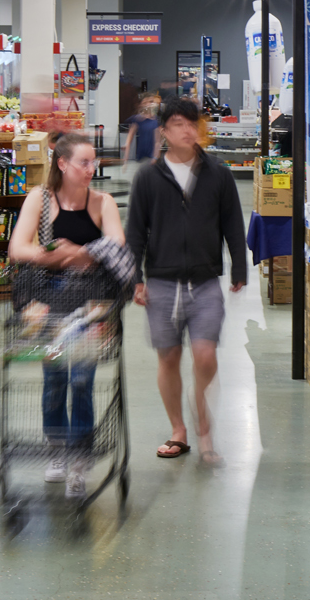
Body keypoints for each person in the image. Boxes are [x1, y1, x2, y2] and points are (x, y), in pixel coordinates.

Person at [125, 95, 247, 467]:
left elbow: (232, 223)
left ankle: (204, 426)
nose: (188, 130)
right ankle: (179, 430)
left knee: (205, 355)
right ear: (163, 131)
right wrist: (135, 278)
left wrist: (239, 267)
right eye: (179, 124)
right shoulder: (148, 176)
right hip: (161, 281)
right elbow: (135, 232)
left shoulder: (218, 173)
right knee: (169, 357)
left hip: (205, 280)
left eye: (192, 124)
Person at [7, 131, 127, 499]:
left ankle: (80, 457)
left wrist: (74, 249)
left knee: (82, 379)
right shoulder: (40, 200)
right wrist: (58, 256)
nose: (92, 168)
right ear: (62, 164)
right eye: (84, 162)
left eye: (94, 162)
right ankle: (57, 449)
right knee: (55, 379)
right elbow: (17, 248)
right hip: (46, 305)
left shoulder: (103, 202)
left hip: (91, 306)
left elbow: (117, 247)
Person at [122, 96, 161, 168]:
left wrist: (155, 157)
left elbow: (157, 141)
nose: (148, 104)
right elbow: (129, 138)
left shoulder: (156, 121)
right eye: (145, 102)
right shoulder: (137, 119)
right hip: (141, 156)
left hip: (151, 156)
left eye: (151, 102)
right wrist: (125, 160)